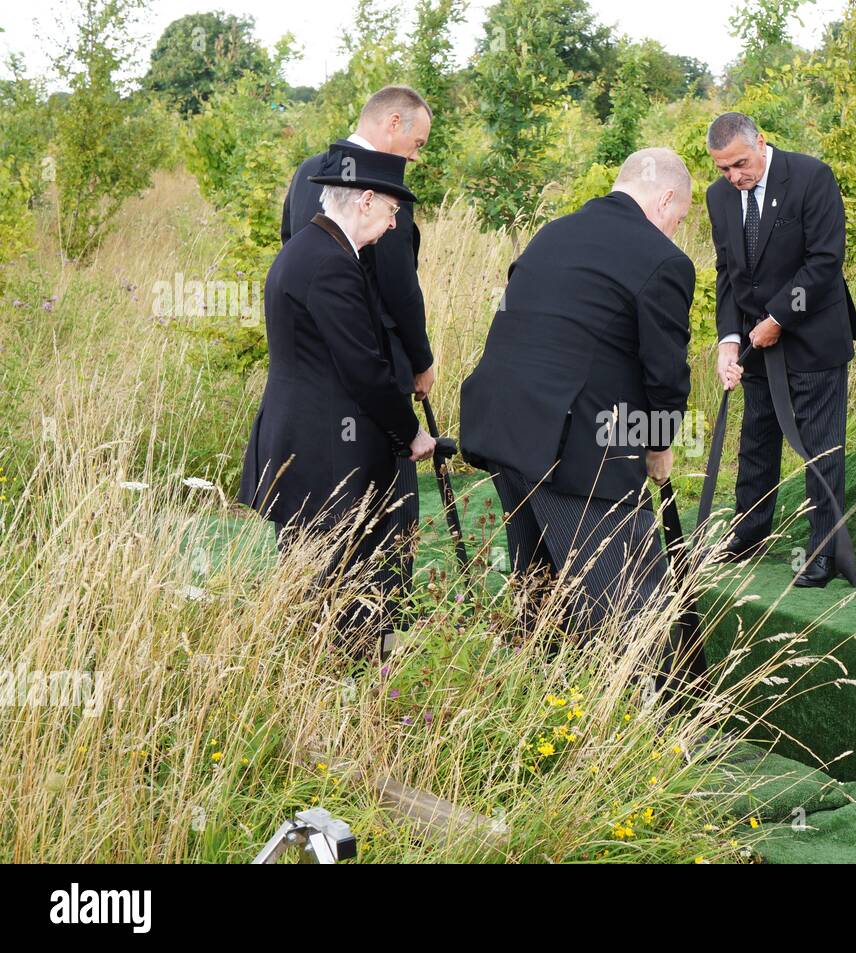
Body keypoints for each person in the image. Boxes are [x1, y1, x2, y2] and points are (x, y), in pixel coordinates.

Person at [458, 147, 694, 639]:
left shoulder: (553, 233)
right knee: (625, 606)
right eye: (678, 217)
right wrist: (658, 444)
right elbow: (665, 371)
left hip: (502, 427)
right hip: (575, 448)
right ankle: (634, 709)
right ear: (666, 198)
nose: (674, 228)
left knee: (538, 591)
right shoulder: (664, 260)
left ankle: (541, 697)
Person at [239, 143, 437, 659]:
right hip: (324, 451)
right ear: (366, 200)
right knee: (340, 586)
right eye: (393, 211)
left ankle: (323, 680)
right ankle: (341, 689)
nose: (395, 225)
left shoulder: (314, 247)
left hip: (308, 439)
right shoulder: (329, 263)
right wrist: (412, 433)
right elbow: (365, 371)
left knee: (316, 580)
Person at [282, 85, 435, 604]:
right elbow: (399, 283)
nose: (415, 156)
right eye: (416, 143)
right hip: (371, 357)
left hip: (311, 363)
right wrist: (420, 359)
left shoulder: (308, 171)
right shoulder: (380, 185)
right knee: (387, 501)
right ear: (393, 122)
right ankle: (380, 620)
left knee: (319, 511)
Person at [705, 111, 856, 588]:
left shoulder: (811, 177)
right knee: (756, 440)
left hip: (813, 337)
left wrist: (778, 319)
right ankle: (747, 536)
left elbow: (825, 261)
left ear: (761, 144)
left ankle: (824, 551)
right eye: (723, 169)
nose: (734, 177)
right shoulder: (720, 197)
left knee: (820, 447)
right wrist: (729, 340)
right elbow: (727, 273)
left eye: (740, 164)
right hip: (755, 344)